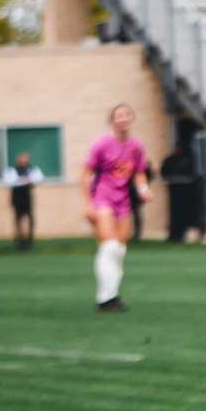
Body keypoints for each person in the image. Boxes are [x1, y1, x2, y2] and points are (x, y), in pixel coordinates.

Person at [81, 103, 151, 313]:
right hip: (102, 199)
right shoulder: (102, 143)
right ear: (111, 121)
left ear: (132, 118)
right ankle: (105, 298)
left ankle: (111, 295)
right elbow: (86, 174)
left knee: (119, 250)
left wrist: (143, 189)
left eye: (126, 114)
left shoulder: (135, 146)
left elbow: (139, 172)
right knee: (109, 247)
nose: (123, 118)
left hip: (123, 201)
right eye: (118, 116)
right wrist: (88, 204)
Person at [159, 144, 200, 243]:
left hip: (185, 192)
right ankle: (173, 235)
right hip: (174, 191)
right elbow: (163, 172)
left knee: (183, 214)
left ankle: (181, 235)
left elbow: (193, 173)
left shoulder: (187, 160)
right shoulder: (170, 160)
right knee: (173, 214)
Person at [2, 151, 43, 250]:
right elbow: (9, 180)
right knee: (18, 218)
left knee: (30, 217)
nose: (23, 161)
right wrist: (24, 181)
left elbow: (39, 178)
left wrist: (29, 181)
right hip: (17, 196)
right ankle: (20, 240)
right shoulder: (11, 170)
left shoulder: (32, 169)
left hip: (27, 195)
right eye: (21, 158)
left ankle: (30, 240)